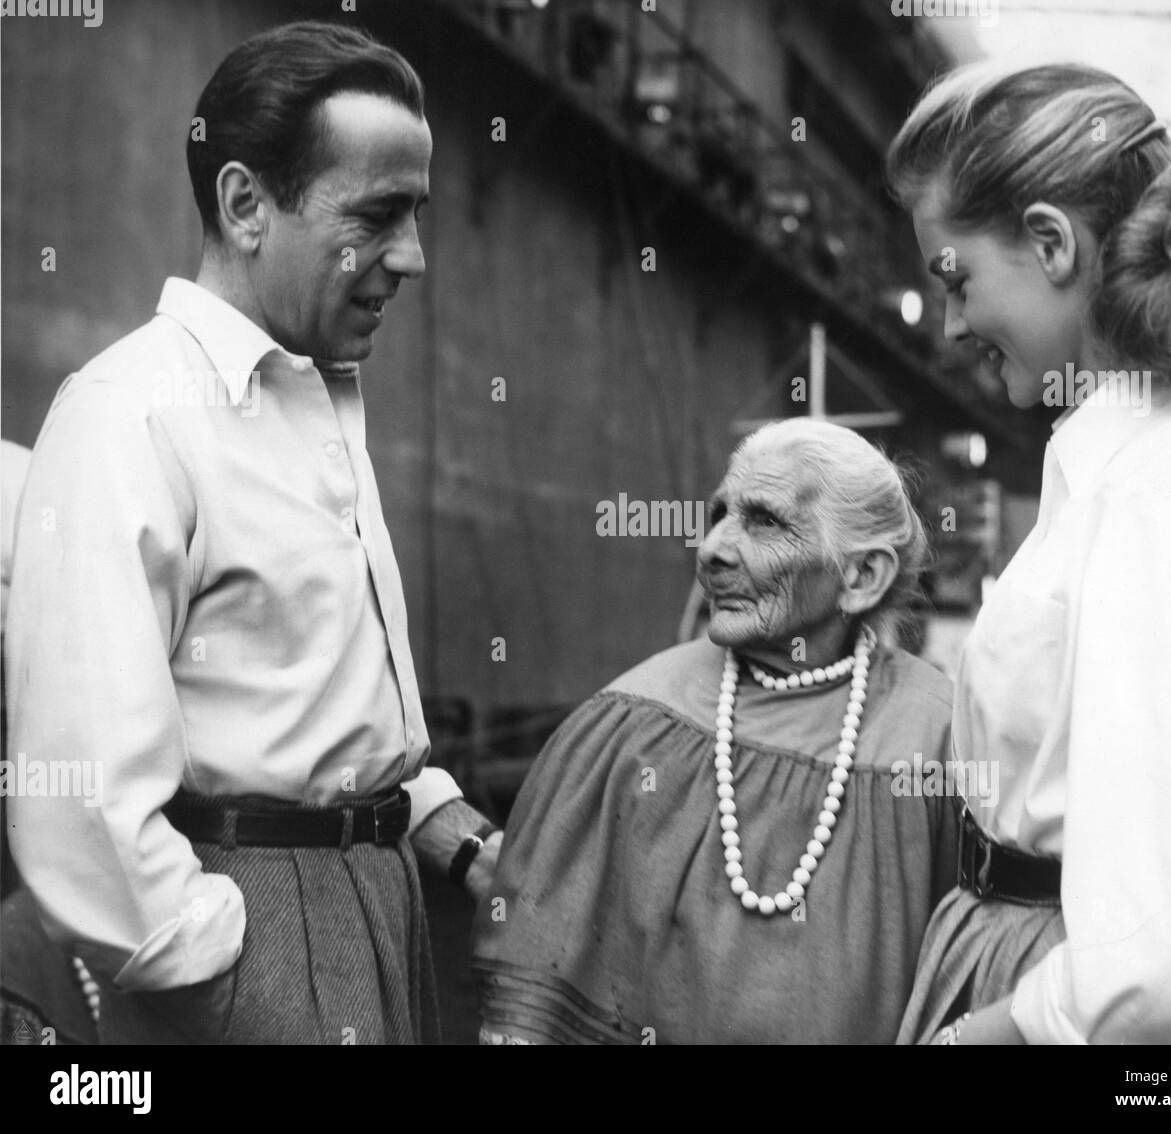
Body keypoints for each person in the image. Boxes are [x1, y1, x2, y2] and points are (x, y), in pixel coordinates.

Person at [5, 21, 502, 1046]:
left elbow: (317, 698)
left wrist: (441, 820)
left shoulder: (318, 399)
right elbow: (79, 791)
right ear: (244, 205)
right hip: (250, 939)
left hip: (380, 902)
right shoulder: (128, 413)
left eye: (415, 213)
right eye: (377, 215)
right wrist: (227, 979)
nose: (411, 258)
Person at [885, 61, 1171, 1044]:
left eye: (955, 279)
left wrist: (983, 1035)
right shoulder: (1126, 461)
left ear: (1048, 242)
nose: (947, 325)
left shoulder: (1153, 492)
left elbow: (1151, 966)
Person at [472, 418, 961, 1044]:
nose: (712, 549)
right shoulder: (630, 726)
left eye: (765, 521)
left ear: (862, 575)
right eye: (719, 514)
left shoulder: (940, 736)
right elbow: (535, 990)